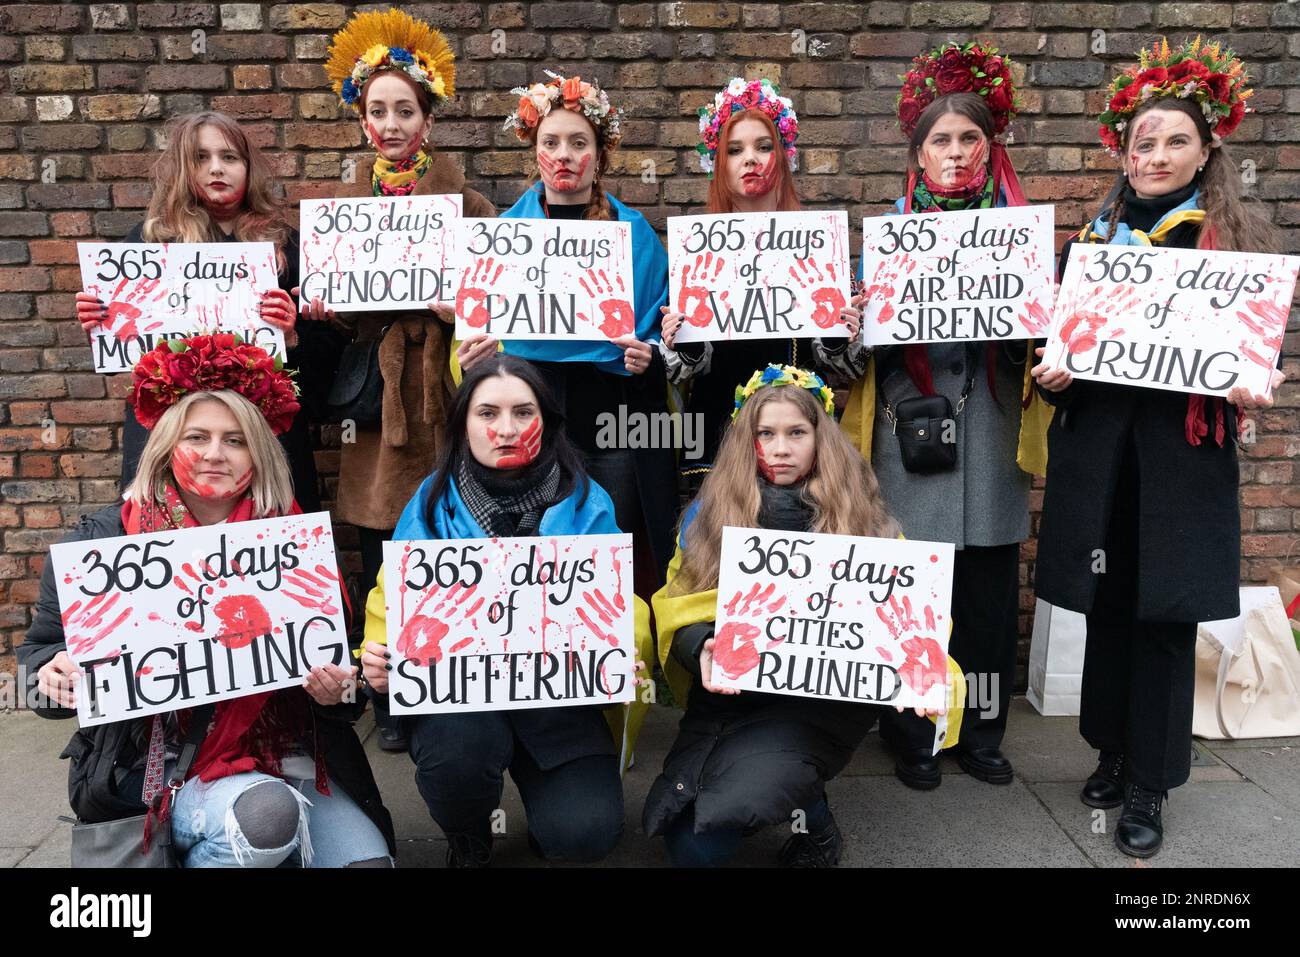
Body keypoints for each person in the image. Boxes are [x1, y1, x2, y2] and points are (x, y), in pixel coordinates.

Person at [1031, 38, 1286, 858]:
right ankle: (1109, 751)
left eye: (1176, 140)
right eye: (1145, 141)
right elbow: (1054, 362)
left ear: (1206, 150)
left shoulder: (1228, 251)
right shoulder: (1091, 247)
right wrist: (1052, 377)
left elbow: (1255, 362)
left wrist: (1253, 386)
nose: (1157, 155)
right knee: (1107, 609)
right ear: (1123, 151)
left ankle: (1152, 782)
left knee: (1166, 619)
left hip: (1180, 466)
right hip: (1104, 462)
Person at [18, 334, 394, 868]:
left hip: (290, 754)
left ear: (259, 452)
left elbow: (348, 670)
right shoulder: (103, 544)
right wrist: (52, 678)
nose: (215, 454)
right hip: (162, 765)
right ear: (168, 445)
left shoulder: (296, 547)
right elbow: (40, 661)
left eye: (235, 440)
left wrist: (341, 687)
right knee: (266, 819)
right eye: (198, 436)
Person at [643, 365, 964, 867]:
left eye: (797, 432)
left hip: (820, 704)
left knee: (701, 849)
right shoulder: (704, 517)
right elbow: (676, 602)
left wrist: (915, 666)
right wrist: (699, 644)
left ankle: (815, 826)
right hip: (734, 697)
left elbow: (912, 610)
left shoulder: (866, 520)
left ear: (822, 438)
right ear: (745, 442)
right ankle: (797, 800)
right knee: (686, 840)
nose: (780, 447)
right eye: (764, 434)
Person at [840, 42, 1051, 791]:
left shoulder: (1021, 235)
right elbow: (850, 362)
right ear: (919, 154)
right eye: (941, 140)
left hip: (989, 436)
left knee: (989, 599)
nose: (956, 152)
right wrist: (855, 322)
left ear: (990, 148)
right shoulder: (888, 236)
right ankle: (913, 730)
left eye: (970, 138)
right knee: (914, 598)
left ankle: (983, 732)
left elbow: (1048, 348)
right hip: (909, 437)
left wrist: (1049, 320)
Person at [359, 354, 653, 867]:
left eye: (523, 412)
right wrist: (377, 658)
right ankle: (468, 832)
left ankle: (551, 809)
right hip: (461, 707)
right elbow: (393, 595)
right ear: (464, 424)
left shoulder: (588, 500)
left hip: (560, 703)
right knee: (457, 764)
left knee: (585, 835)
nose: (506, 429)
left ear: (546, 421)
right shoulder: (430, 503)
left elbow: (619, 598)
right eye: (488, 413)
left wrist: (625, 649)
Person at [321, 8, 497, 751]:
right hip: (380, 396)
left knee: (450, 539)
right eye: (377, 110)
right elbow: (336, 323)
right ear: (362, 121)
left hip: (446, 388)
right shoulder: (343, 208)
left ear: (428, 117)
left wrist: (453, 307)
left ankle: (448, 671)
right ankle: (390, 687)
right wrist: (326, 308)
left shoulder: (473, 205)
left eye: (405, 109)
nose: (390, 123)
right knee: (383, 539)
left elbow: (495, 307)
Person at [456, 72, 676, 596]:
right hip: (534, 416)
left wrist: (652, 355)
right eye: (550, 142)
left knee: (608, 551)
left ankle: (620, 660)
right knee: (534, 551)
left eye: (579, 143)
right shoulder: (501, 238)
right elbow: (470, 349)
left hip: (614, 422)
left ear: (599, 154)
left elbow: (670, 334)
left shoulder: (637, 235)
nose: (565, 155)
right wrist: (473, 359)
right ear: (534, 153)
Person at [74, 111, 346, 512]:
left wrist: (293, 337)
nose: (216, 168)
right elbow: (129, 359)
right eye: (201, 158)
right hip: (174, 435)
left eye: (230, 157)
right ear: (185, 168)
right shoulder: (149, 243)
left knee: (266, 555)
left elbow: (329, 368)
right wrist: (99, 321)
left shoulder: (288, 245)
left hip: (263, 438)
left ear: (249, 168)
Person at [658, 77, 868, 490]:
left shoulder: (819, 244)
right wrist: (679, 341)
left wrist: (843, 335)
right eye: (734, 151)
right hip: (718, 438)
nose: (749, 159)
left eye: (763, 147)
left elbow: (847, 370)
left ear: (782, 156)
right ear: (719, 164)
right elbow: (680, 373)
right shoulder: (695, 252)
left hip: (799, 441)